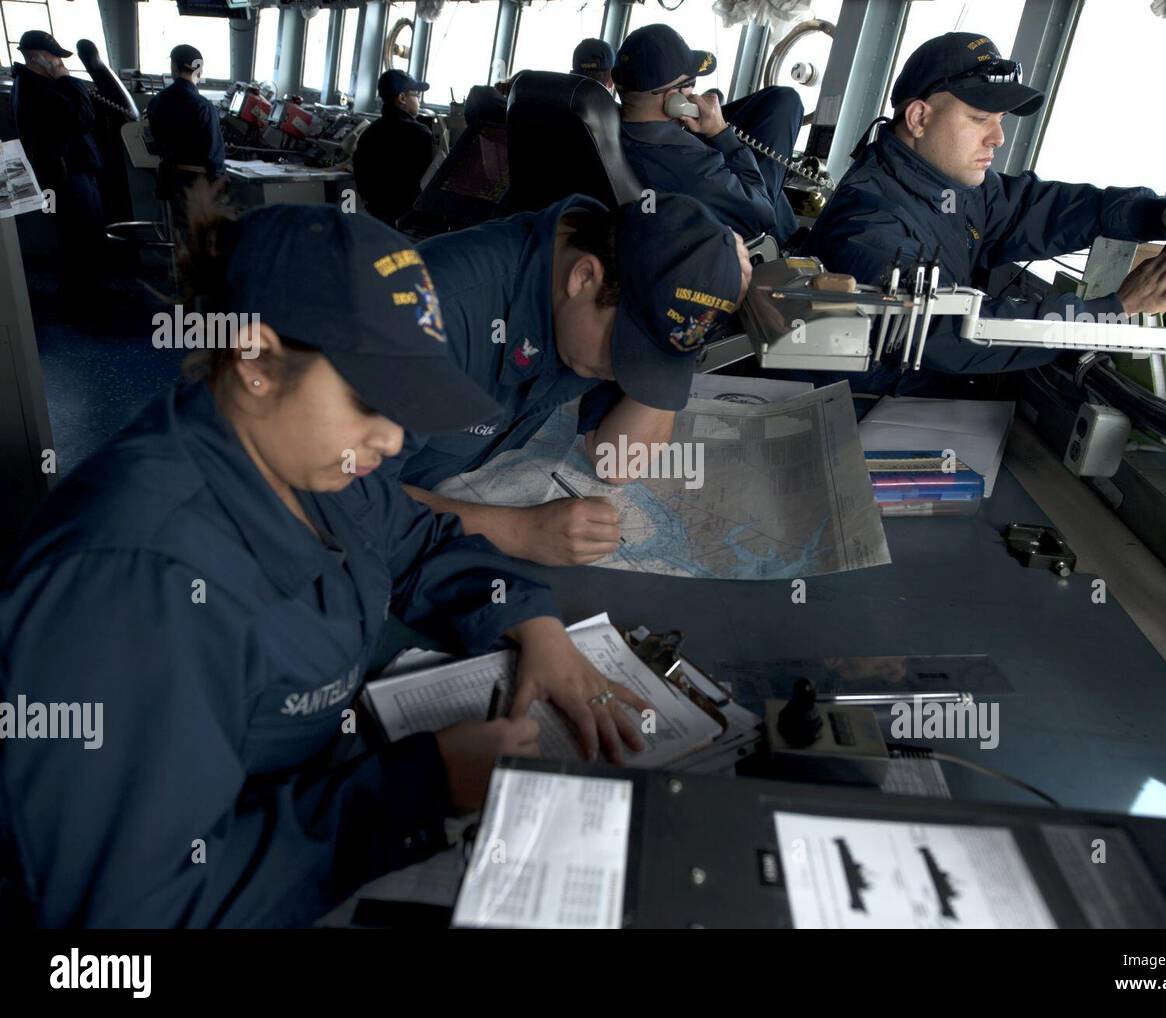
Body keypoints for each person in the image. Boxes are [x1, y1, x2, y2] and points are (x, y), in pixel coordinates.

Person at [0, 197, 649, 928]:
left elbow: (418, 540)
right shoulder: (139, 587)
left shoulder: (314, 465)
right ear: (255, 362)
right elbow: (132, 915)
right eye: (370, 400)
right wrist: (416, 790)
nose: (395, 441)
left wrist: (536, 628)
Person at [802, 32, 1166, 391]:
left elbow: (1046, 209)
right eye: (979, 118)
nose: (998, 138)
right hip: (857, 407)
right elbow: (947, 335)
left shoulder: (954, 187)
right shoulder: (868, 219)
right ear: (919, 118)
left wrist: (1158, 214)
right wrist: (1114, 308)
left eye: (1001, 119)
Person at [388, 192, 750, 567]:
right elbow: (335, 498)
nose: (627, 373)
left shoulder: (610, 295)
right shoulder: (434, 311)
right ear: (584, 277)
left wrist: (696, 315)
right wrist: (517, 532)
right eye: (628, 352)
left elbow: (621, 462)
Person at [614, 24, 804, 245]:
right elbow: (761, 213)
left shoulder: (611, 130)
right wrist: (720, 133)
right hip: (750, 229)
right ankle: (791, 245)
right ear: (673, 99)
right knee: (786, 102)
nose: (694, 93)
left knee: (777, 100)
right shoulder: (691, 166)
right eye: (690, 84)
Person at [10, 29, 105, 299]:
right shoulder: (38, 89)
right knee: (82, 239)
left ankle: (83, 298)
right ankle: (84, 303)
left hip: (63, 172)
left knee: (76, 238)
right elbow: (83, 118)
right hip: (68, 174)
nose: (60, 64)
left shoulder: (26, 85)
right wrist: (68, 81)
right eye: (56, 58)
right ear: (39, 58)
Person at [145, 44, 225, 234]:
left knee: (178, 235)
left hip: (169, 181)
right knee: (199, 240)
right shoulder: (203, 106)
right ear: (200, 69)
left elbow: (156, 141)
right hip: (196, 186)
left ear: (173, 67)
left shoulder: (156, 101)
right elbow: (214, 155)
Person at [351, 69, 435, 226]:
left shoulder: (370, 132)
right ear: (402, 98)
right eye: (416, 95)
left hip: (375, 215)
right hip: (407, 219)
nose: (419, 101)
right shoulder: (420, 133)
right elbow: (428, 180)